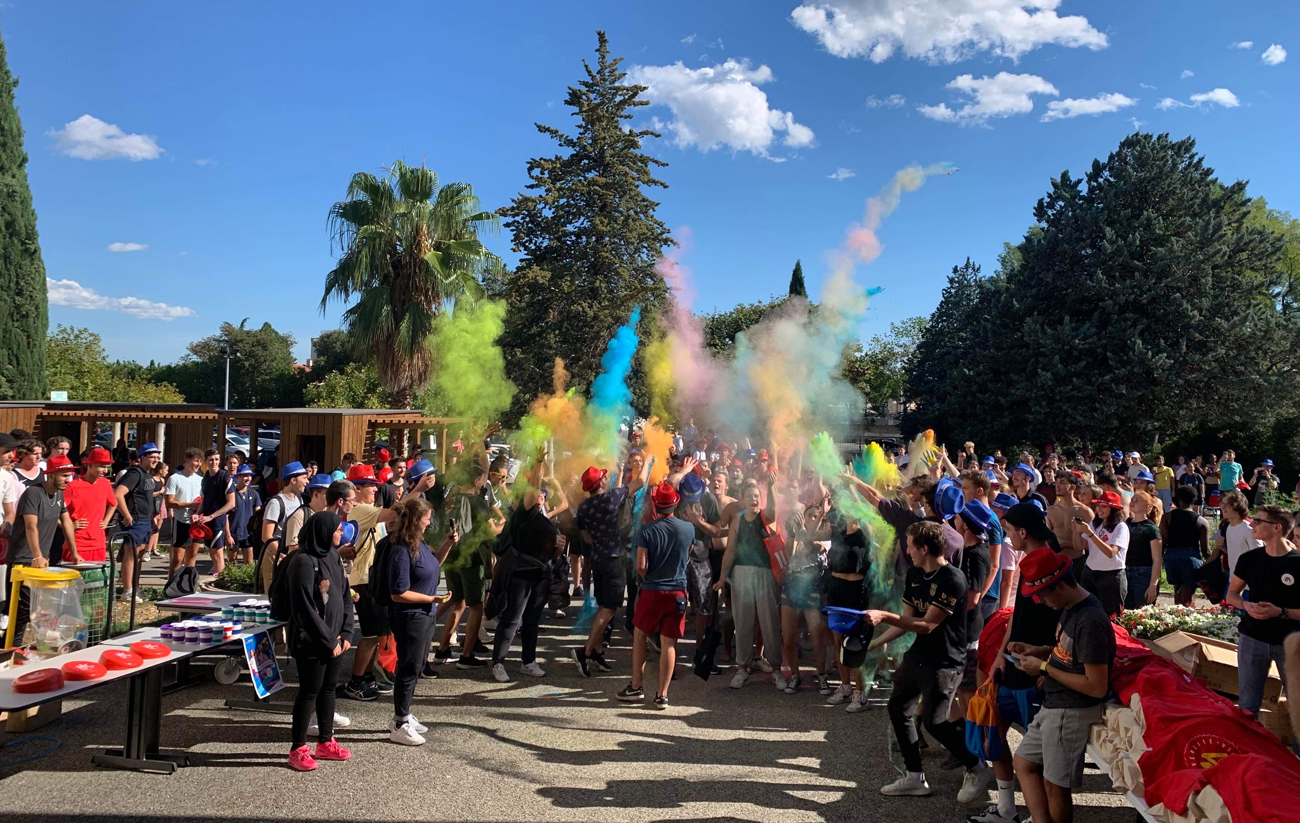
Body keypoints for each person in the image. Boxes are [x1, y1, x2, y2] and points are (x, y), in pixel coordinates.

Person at [866, 521, 990, 800]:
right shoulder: (914, 574)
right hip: (919, 655)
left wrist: (884, 616)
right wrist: (875, 642)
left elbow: (927, 625)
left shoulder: (953, 579)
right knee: (898, 707)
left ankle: (976, 765)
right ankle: (914, 778)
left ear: (924, 548)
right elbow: (909, 621)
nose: (906, 550)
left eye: (910, 545)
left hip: (945, 661)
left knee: (934, 723)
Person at [1011, 548, 1115, 823]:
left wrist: (1045, 668)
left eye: (1043, 595)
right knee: (1023, 763)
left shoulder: (1089, 620)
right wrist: (1041, 651)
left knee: (1055, 785)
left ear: (1060, 585)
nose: (1041, 602)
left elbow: (1096, 687)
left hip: (1072, 710)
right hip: (1055, 704)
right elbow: (1070, 654)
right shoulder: (1070, 607)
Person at [285, 511, 355, 772]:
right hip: (311, 640)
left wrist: (347, 632)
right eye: (337, 529)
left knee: (329, 689)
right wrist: (328, 640)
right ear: (324, 531)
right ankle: (298, 748)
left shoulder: (334, 556)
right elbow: (303, 608)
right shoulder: (303, 561)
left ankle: (326, 741)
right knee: (308, 692)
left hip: (336, 640)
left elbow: (345, 596)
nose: (341, 533)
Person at [616, 481, 694, 709]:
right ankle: (662, 695)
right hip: (678, 591)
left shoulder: (646, 530)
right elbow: (687, 554)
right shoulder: (689, 529)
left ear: (655, 505)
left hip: (652, 590)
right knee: (669, 644)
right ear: (675, 503)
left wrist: (650, 576)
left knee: (640, 637)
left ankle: (636, 687)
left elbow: (640, 565)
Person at [387, 496, 457, 744]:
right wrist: (432, 600)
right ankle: (399, 721)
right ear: (416, 520)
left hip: (424, 616)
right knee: (408, 667)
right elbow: (398, 593)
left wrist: (447, 545)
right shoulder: (400, 550)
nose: (430, 522)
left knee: (416, 666)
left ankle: (405, 712)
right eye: (427, 517)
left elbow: (433, 564)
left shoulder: (419, 544)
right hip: (410, 617)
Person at [492, 455, 567, 683]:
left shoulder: (547, 520)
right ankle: (498, 663)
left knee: (533, 619)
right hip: (521, 573)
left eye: (544, 496)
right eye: (537, 495)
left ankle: (528, 662)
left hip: (539, 574)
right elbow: (534, 487)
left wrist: (558, 548)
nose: (540, 497)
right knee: (512, 618)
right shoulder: (525, 513)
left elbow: (551, 553)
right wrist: (538, 464)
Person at [1226, 505, 1300, 717]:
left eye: (1259, 521)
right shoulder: (1249, 560)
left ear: (1277, 528)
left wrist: (1281, 611)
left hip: (1291, 643)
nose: (1252, 524)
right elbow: (1231, 594)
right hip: (1252, 638)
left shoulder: (1297, 563)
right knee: (1248, 706)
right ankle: (1250, 750)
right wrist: (1245, 605)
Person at [573, 462, 643, 676]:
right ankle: (584, 652)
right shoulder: (611, 498)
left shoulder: (584, 508)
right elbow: (639, 483)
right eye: (603, 477)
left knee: (604, 604)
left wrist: (601, 539)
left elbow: (586, 536)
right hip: (613, 559)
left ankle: (597, 651)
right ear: (601, 482)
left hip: (598, 559)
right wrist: (648, 462)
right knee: (610, 607)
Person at [714, 475, 784, 689]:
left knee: (769, 622)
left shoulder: (766, 517)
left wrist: (771, 487)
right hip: (741, 573)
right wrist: (722, 577)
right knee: (743, 622)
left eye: (756, 496)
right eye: (749, 496)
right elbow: (731, 550)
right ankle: (742, 668)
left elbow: (773, 511)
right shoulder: (737, 521)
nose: (753, 499)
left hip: (764, 574)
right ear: (742, 501)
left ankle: (776, 670)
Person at [434, 464, 503, 670]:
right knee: (476, 607)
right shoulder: (477, 501)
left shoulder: (451, 499)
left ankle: (442, 649)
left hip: (451, 553)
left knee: (457, 602)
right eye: (482, 480)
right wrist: (504, 524)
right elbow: (491, 531)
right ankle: (466, 655)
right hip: (471, 556)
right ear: (476, 482)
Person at [6, 455, 80, 642]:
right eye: (63, 476)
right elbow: (31, 526)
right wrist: (37, 555)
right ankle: (9, 646)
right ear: (51, 475)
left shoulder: (59, 494)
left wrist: (75, 552)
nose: (68, 480)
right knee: (21, 607)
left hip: (42, 559)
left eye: (69, 475)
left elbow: (67, 522)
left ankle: (16, 644)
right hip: (23, 558)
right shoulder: (33, 493)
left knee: (35, 607)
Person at [777, 489, 830, 695]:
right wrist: (792, 534)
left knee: (817, 638)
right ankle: (795, 675)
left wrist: (804, 531)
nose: (812, 519)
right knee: (789, 638)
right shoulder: (797, 535)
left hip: (813, 590)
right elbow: (789, 554)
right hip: (791, 588)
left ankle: (822, 675)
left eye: (817, 516)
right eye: (809, 516)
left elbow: (810, 546)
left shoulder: (824, 538)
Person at [113, 443, 162, 603]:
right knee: (131, 554)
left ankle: (135, 587)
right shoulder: (135, 473)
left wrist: (153, 520)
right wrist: (127, 516)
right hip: (135, 520)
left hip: (145, 520)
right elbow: (118, 494)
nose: (155, 460)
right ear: (142, 458)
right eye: (152, 457)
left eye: (157, 457)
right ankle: (127, 591)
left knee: (139, 555)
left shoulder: (147, 474)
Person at [1197, 489, 1258, 603]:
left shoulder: (1249, 529)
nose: (1222, 507)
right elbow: (1237, 553)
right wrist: (1224, 548)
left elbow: (1259, 555)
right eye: (1222, 503)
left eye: (1227, 504)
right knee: (1227, 615)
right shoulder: (1228, 527)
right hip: (1232, 580)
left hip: (1249, 584)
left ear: (1237, 505)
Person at [259, 462, 309, 593]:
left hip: (291, 555)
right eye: (304, 478)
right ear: (293, 480)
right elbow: (266, 537)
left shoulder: (300, 500)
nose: (307, 481)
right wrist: (282, 556)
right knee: (274, 598)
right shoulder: (275, 503)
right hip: (275, 557)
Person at [1077, 490, 1128, 616]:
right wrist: (1075, 530)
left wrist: (1090, 533)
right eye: (1098, 506)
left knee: (1112, 616)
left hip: (1111, 576)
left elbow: (1111, 552)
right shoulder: (1095, 523)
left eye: (1104, 506)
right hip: (1090, 573)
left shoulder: (1121, 527)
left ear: (1113, 509)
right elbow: (1082, 546)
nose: (1099, 509)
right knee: (1088, 612)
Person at [62, 447, 117, 563]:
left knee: (97, 580)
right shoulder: (72, 486)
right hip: (77, 543)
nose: (105, 470)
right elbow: (55, 511)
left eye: (107, 467)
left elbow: (114, 503)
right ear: (89, 465)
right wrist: (68, 525)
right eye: (101, 466)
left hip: (99, 542)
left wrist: (106, 521)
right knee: (75, 579)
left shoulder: (105, 483)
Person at [1160, 486, 1210, 605]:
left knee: (1177, 589)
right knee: (1189, 593)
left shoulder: (1167, 517)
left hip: (1171, 556)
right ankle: (1187, 617)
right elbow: (1205, 549)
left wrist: (1159, 559)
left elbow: (1164, 540)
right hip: (1191, 557)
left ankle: (1177, 615)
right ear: (1195, 499)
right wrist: (1212, 563)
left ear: (1179, 499)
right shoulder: (1201, 521)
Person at [164, 448, 205, 577]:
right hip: (181, 521)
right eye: (196, 461)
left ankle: (188, 585)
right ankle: (171, 586)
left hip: (196, 523)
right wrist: (190, 505)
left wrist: (200, 510)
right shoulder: (175, 478)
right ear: (187, 461)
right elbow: (169, 502)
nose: (198, 464)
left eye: (200, 461)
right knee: (177, 558)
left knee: (192, 556)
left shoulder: (200, 479)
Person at [198, 449, 237, 576]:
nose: (214, 462)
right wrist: (197, 514)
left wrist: (211, 516)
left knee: (217, 553)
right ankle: (218, 577)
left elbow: (231, 503)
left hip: (218, 520)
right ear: (206, 461)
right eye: (211, 459)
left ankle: (220, 582)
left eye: (216, 459)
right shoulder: (206, 477)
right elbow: (204, 500)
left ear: (220, 461)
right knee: (212, 552)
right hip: (206, 520)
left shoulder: (224, 477)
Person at [1124, 491, 1163, 609]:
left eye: (1137, 500)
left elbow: (1157, 559)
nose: (1132, 502)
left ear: (1148, 507)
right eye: (1132, 500)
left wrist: (1153, 585)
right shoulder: (1127, 523)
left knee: (1142, 611)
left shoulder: (1151, 528)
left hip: (1144, 574)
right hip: (1126, 571)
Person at [232, 464, 262, 565]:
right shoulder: (232, 494)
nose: (248, 478)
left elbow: (257, 514)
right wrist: (227, 534)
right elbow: (226, 515)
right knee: (231, 562)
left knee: (249, 562)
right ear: (237, 477)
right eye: (244, 475)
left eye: (249, 475)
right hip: (234, 532)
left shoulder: (254, 494)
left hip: (248, 533)